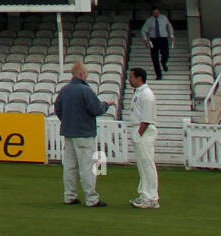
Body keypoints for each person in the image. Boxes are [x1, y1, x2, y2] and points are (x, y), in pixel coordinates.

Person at [53, 61, 114, 207]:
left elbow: (57, 109)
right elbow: (96, 109)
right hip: (84, 134)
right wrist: (107, 104)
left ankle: (69, 195)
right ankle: (91, 198)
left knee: (69, 166)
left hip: (69, 132)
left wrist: (67, 121)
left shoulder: (65, 89)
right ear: (82, 74)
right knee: (87, 167)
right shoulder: (85, 90)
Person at [128, 67, 159, 209]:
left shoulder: (147, 94)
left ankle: (151, 198)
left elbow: (147, 118)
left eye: (132, 77)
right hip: (139, 130)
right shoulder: (138, 93)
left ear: (139, 78)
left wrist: (139, 134)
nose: (130, 79)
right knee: (142, 165)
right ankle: (144, 195)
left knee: (147, 164)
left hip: (144, 131)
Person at [141, 7, 174, 81]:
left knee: (165, 54)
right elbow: (143, 30)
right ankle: (158, 74)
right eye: (154, 13)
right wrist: (145, 39)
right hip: (153, 39)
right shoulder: (149, 20)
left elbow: (169, 26)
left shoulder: (164, 18)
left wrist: (171, 35)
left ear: (159, 12)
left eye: (157, 12)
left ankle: (163, 62)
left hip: (163, 38)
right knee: (154, 57)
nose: (156, 14)